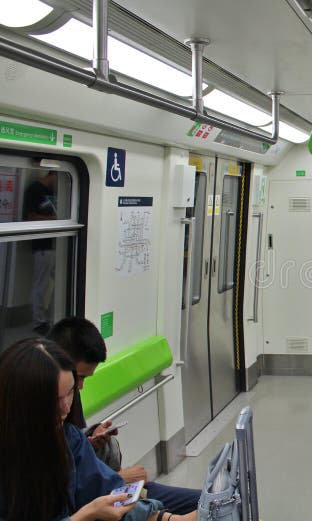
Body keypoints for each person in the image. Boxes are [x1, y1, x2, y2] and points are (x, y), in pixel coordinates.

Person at [0, 338, 196, 521]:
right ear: (20, 402)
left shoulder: (68, 437)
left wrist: (170, 519)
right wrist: (86, 514)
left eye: (70, 393)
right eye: (52, 400)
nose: (65, 408)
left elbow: (105, 491)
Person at [48, 318, 201, 515]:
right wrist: (121, 477)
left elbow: (78, 462)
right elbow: (83, 494)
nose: (80, 388)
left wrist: (91, 439)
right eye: (80, 377)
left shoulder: (69, 425)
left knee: (203, 500)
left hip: (110, 487)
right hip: (107, 492)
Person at [24, 170, 58, 335]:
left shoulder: (55, 192)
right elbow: (30, 218)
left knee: (58, 282)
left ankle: (54, 316)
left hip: (58, 244)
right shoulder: (34, 190)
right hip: (42, 244)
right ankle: (39, 321)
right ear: (53, 175)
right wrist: (55, 221)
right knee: (41, 283)